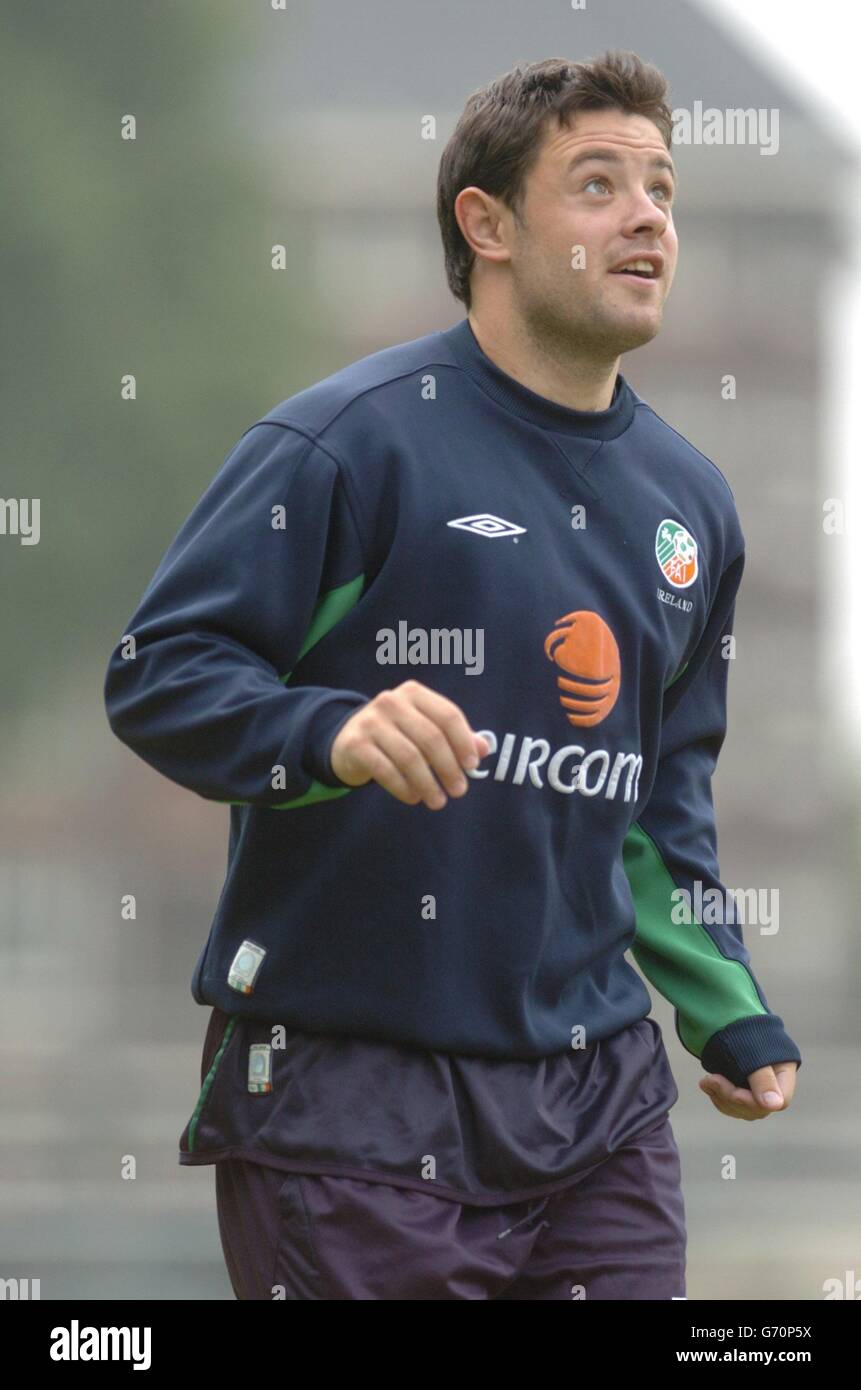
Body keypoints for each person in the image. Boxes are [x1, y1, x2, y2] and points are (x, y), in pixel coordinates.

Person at [104, 50, 801, 1301]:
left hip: (600, 1103)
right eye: (598, 185)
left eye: (663, 188)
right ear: (485, 224)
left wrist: (726, 1004)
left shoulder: (693, 503)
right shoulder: (344, 443)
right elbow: (160, 674)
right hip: (348, 1096)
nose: (649, 216)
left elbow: (658, 797)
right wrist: (329, 733)